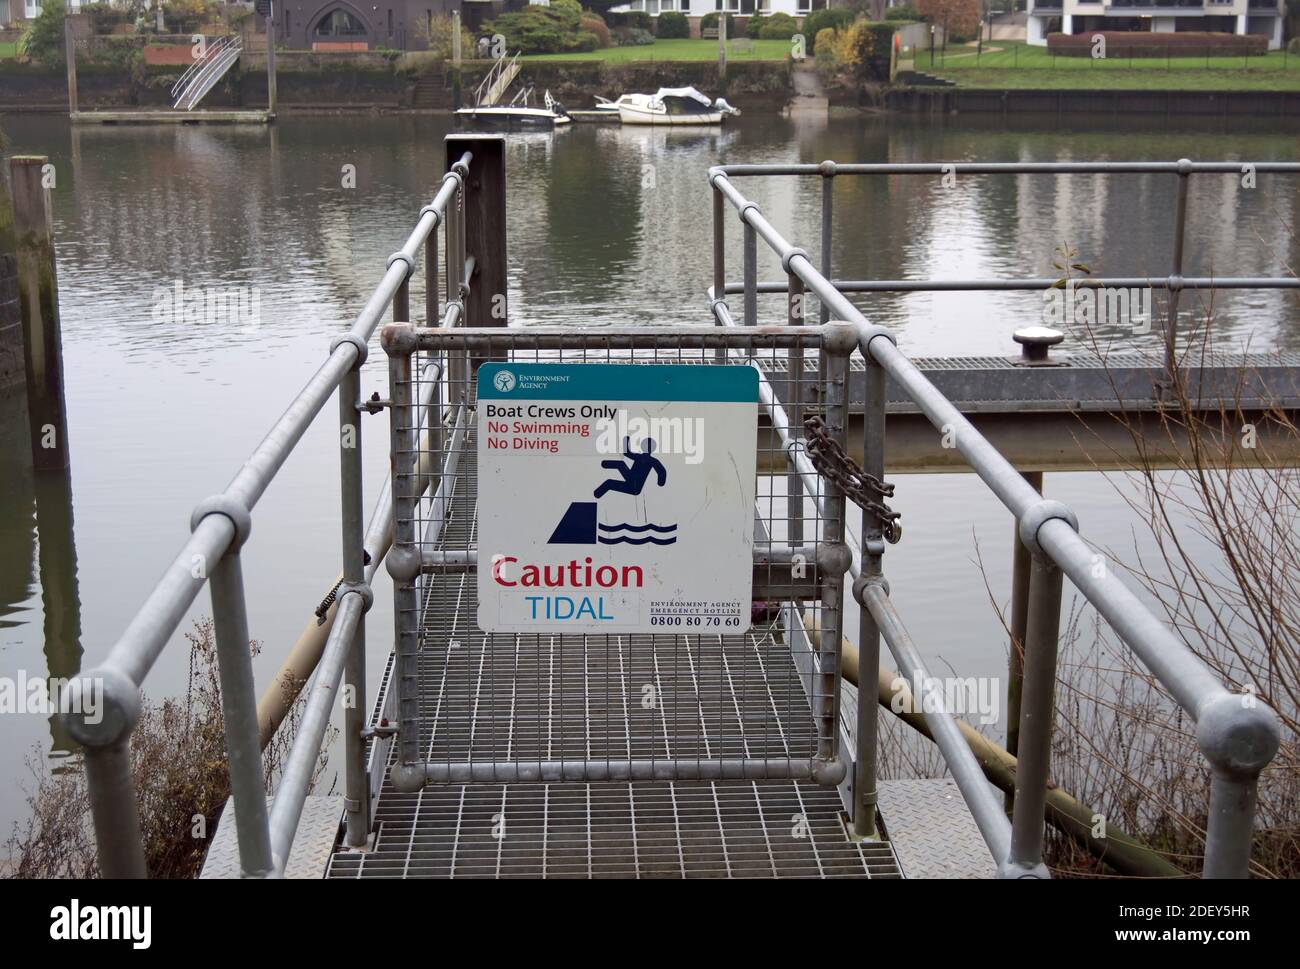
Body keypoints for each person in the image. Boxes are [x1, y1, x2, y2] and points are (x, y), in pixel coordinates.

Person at [594, 438, 667, 499]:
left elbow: (662, 471)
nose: (646, 448)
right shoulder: (640, 457)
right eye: (645, 445)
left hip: (635, 486)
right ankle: (597, 493)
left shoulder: (652, 460)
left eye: (648, 446)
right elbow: (627, 453)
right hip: (631, 480)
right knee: (609, 482)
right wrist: (626, 440)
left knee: (620, 466)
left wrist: (661, 481)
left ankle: (604, 464)